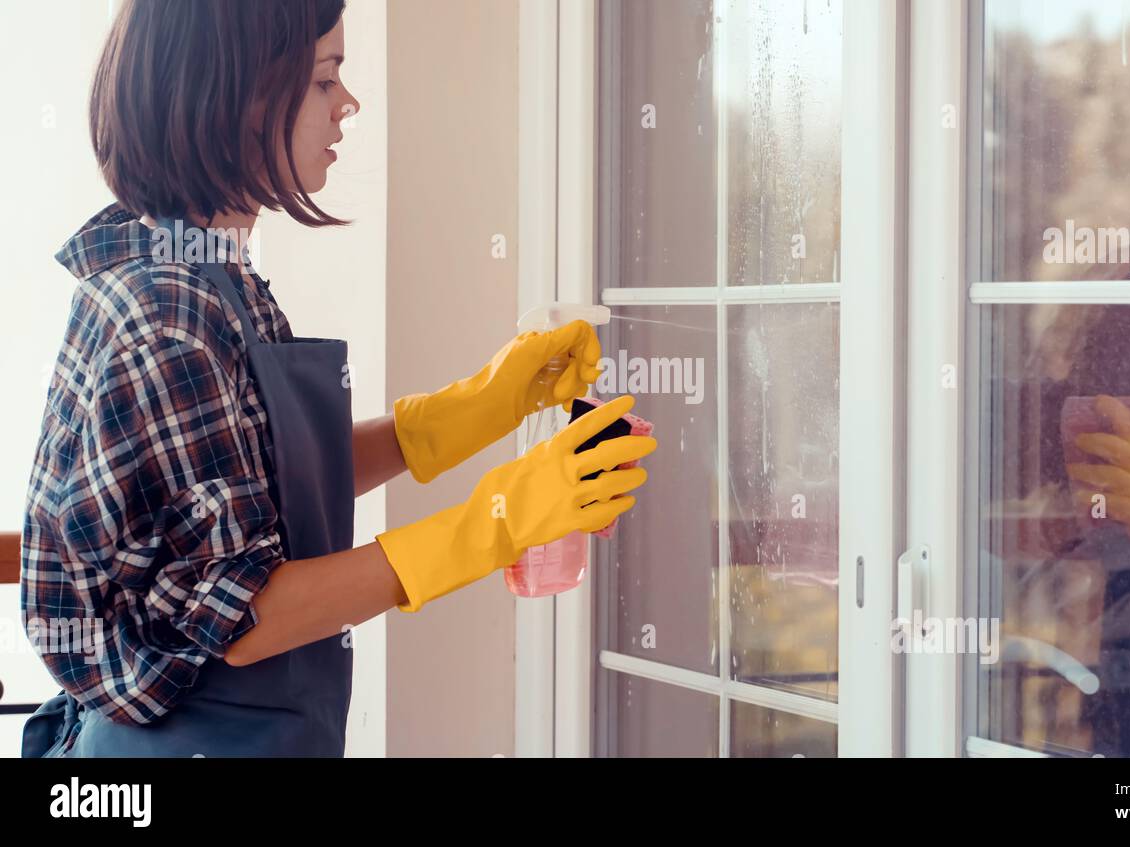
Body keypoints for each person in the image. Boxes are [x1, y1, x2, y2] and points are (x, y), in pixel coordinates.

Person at [20, 0, 656, 758]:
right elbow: (249, 615)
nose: (346, 106)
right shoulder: (166, 310)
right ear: (243, 96)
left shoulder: (209, 269)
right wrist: (496, 521)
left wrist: (481, 404)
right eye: (326, 81)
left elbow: (260, 486)